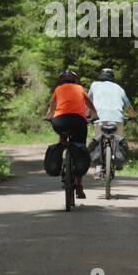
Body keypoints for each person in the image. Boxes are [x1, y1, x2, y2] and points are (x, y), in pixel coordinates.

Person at [44, 70, 97, 198]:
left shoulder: (58, 89)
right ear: (75, 80)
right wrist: (95, 114)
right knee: (79, 148)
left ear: (61, 81)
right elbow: (88, 102)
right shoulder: (79, 88)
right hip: (78, 121)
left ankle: (63, 160)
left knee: (62, 136)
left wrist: (47, 117)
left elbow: (52, 107)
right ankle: (79, 186)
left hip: (60, 122)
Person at [87, 67, 136, 178]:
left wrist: (87, 116)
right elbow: (128, 106)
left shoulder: (94, 85)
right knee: (118, 141)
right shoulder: (119, 88)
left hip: (99, 119)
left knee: (98, 139)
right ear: (112, 77)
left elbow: (88, 103)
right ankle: (117, 162)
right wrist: (132, 117)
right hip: (117, 120)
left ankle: (98, 167)